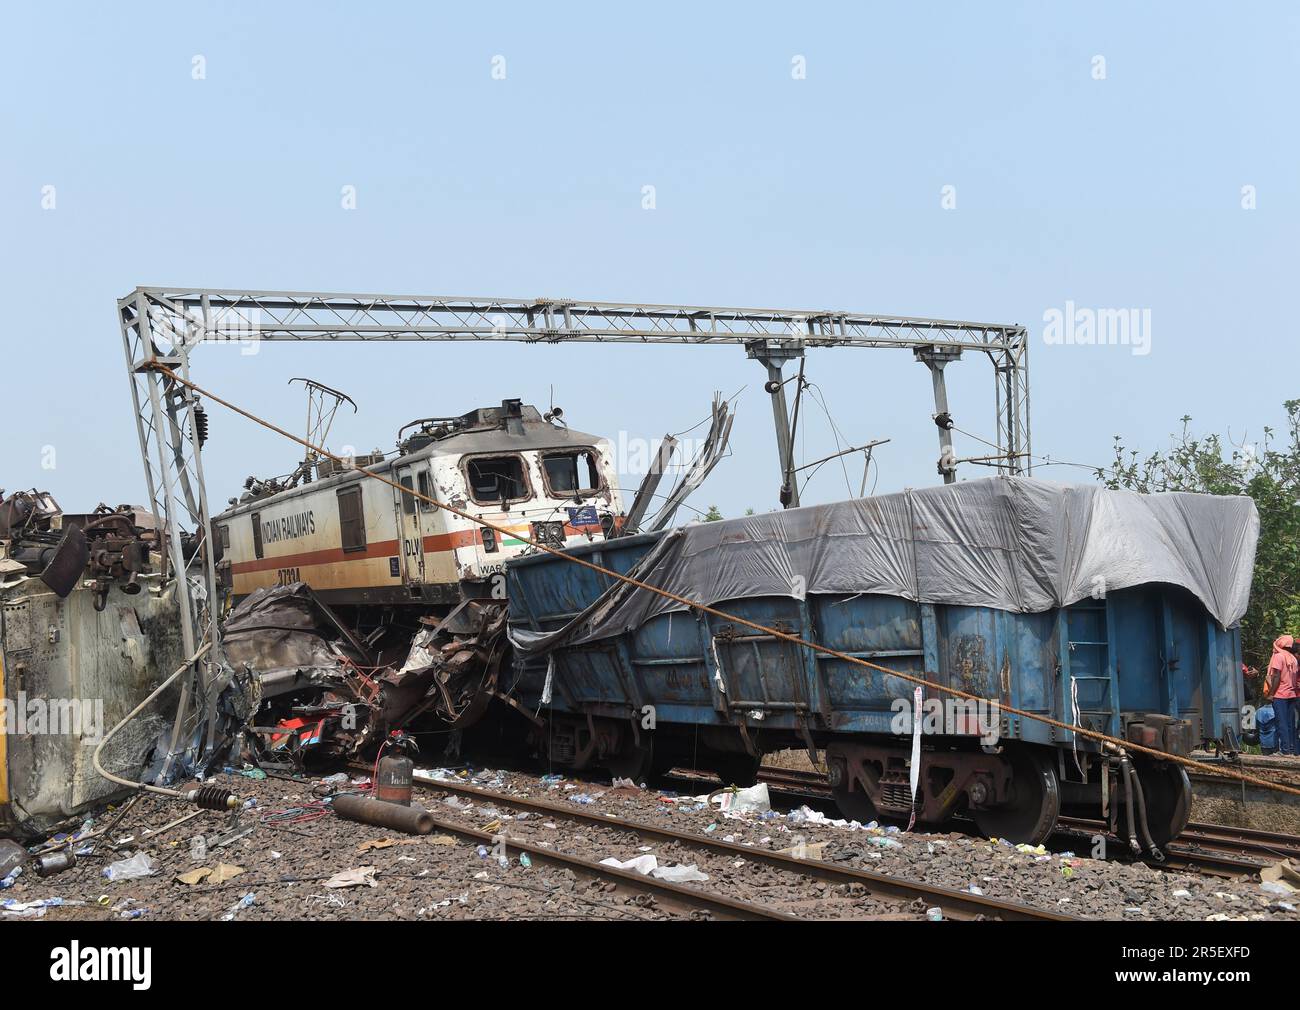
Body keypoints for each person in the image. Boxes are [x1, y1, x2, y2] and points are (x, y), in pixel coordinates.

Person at [1265, 635, 1300, 756]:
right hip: (1292, 694)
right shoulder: (1293, 658)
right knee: (1290, 723)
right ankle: (1290, 749)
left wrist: (1271, 694)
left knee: (1281, 723)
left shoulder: (1279, 656)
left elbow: (1276, 676)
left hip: (1280, 695)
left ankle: (1284, 750)